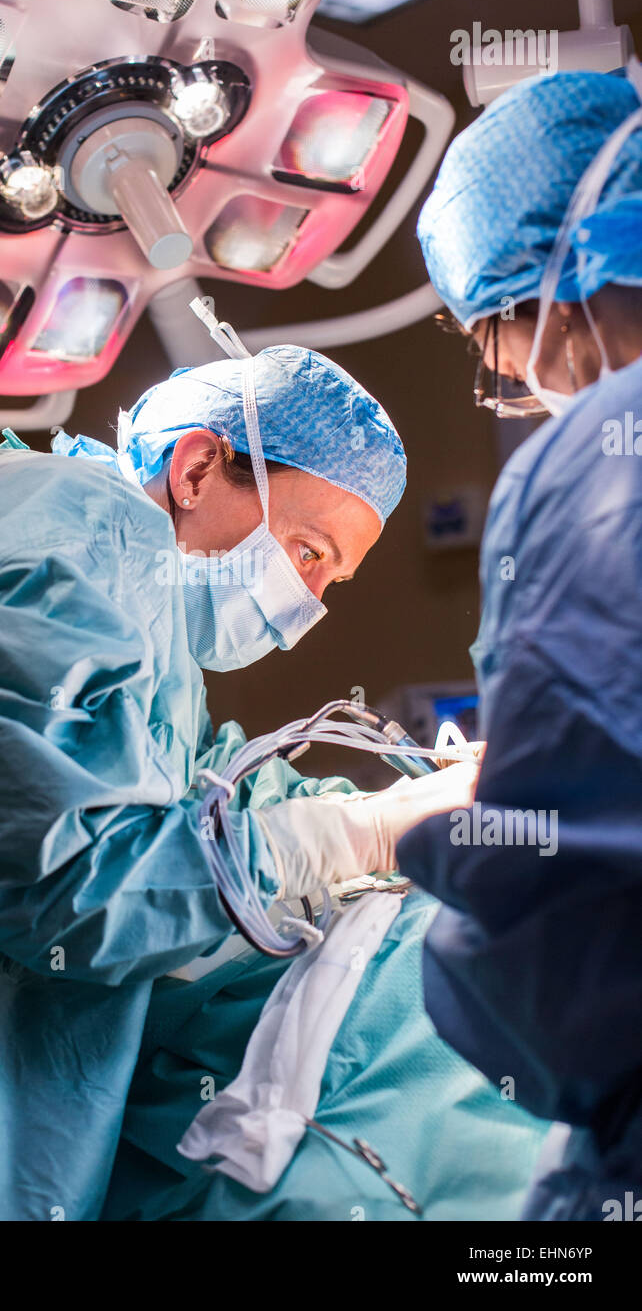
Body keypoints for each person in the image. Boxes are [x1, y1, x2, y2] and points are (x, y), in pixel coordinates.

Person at [0, 340, 494, 1220]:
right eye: (308, 551)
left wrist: (396, 803)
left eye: (331, 582)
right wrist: (367, 835)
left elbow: (193, 791)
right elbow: (78, 888)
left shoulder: (110, 576)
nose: (306, 606)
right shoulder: (63, 549)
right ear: (197, 467)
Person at [396, 64, 642, 1220]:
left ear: (557, 283)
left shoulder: (609, 448)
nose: (525, 389)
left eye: (502, 351)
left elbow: (568, 952)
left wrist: (441, 840)